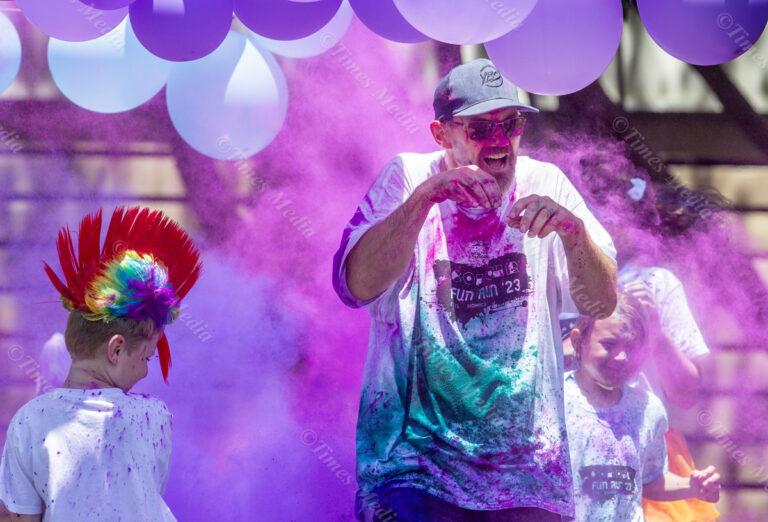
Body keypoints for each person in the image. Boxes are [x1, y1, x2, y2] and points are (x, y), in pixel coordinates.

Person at [333, 58, 618, 521]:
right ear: (441, 134)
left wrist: (573, 233)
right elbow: (354, 286)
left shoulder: (546, 183)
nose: (501, 142)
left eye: (511, 124)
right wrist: (427, 197)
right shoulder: (407, 177)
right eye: (481, 129)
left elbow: (602, 302)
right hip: (415, 471)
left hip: (529, 476)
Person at [0, 206, 201, 521]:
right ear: (116, 349)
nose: (146, 371)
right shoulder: (154, 417)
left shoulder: (28, 421)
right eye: (147, 357)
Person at [565, 292, 720, 521]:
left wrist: (691, 486)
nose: (621, 357)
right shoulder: (555, 399)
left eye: (631, 347)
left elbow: (649, 479)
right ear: (578, 341)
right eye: (609, 344)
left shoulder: (648, 408)